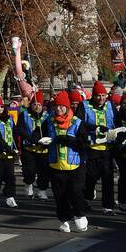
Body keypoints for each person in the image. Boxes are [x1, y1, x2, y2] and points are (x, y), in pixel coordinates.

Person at [38, 91, 98, 233]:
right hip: (56, 165)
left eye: (61, 106)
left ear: (67, 107)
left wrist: (69, 140)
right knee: (60, 195)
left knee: (76, 192)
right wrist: (41, 142)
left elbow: (84, 143)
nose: (58, 109)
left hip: (75, 166)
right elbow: (38, 134)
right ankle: (64, 220)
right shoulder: (49, 121)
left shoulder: (77, 122)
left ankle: (79, 215)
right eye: (56, 106)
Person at [79, 82, 117, 215]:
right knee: (90, 177)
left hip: (107, 148)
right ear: (93, 96)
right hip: (91, 147)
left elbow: (117, 122)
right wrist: (94, 128)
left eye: (103, 95)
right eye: (98, 96)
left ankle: (108, 206)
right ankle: (87, 198)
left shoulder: (111, 105)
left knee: (108, 177)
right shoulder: (84, 106)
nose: (101, 98)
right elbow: (80, 123)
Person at [17, 92, 51, 200]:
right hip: (29, 148)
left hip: (43, 149)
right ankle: (28, 185)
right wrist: (30, 138)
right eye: (35, 104)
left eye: (39, 105)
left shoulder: (47, 116)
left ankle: (42, 190)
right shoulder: (24, 114)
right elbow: (19, 129)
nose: (37, 107)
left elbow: (50, 130)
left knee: (44, 172)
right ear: (31, 105)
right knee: (29, 170)